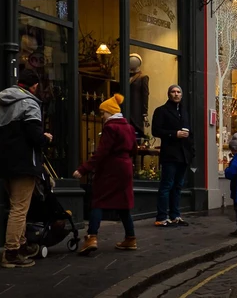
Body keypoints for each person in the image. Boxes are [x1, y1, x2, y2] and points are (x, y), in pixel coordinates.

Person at [0, 69, 53, 268]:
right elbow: (35, 137)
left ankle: (21, 245)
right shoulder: (30, 104)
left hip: (1, 163)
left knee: (16, 206)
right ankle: (11, 252)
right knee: (20, 209)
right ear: (35, 86)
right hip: (23, 163)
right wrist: (45, 138)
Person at [74, 94, 137, 255]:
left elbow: (102, 152)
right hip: (126, 167)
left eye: (103, 113)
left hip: (111, 168)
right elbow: (134, 149)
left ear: (110, 112)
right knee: (124, 204)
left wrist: (83, 169)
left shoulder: (110, 127)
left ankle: (91, 238)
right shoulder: (129, 127)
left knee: (99, 202)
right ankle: (130, 238)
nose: (102, 116)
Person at [151, 84, 193, 227]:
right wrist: (174, 134)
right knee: (166, 185)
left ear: (181, 94)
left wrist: (191, 151)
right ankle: (161, 217)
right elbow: (156, 131)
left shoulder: (184, 112)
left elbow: (190, 132)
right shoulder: (161, 111)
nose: (176, 94)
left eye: (178, 92)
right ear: (169, 94)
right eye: (173, 92)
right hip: (170, 154)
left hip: (183, 155)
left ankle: (175, 216)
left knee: (177, 186)